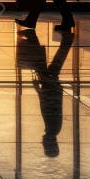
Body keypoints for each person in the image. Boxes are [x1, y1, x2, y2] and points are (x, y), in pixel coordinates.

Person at [15, 29, 73, 157]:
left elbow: (49, 104)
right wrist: (39, 89)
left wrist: (40, 89)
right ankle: (65, 39)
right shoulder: (53, 128)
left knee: (43, 62)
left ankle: (35, 36)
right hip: (50, 85)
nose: (42, 143)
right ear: (50, 143)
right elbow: (49, 104)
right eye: (45, 145)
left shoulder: (52, 129)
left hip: (51, 86)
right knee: (44, 62)